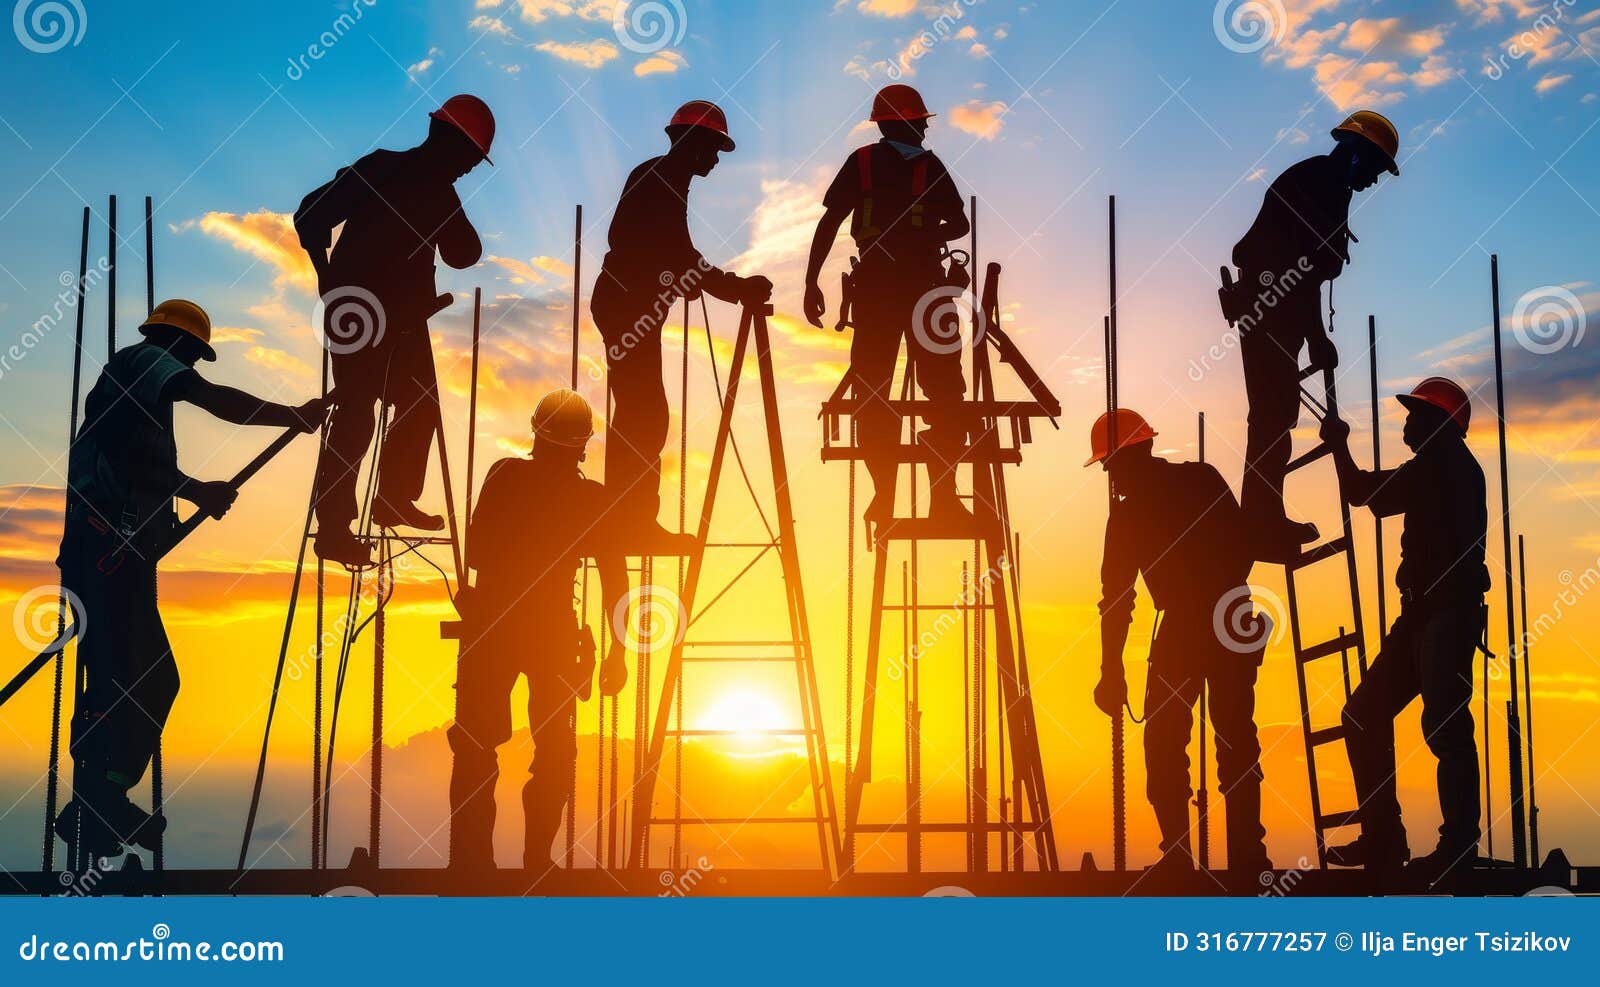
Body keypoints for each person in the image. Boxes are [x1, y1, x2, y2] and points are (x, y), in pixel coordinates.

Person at [55, 299, 328, 863]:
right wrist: (290, 415)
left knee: (130, 681)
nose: (194, 371)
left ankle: (95, 807)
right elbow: (212, 399)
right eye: (194, 358)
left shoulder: (134, 395)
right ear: (178, 346)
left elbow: (134, 461)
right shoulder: (144, 361)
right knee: (140, 681)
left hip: (118, 556)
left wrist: (193, 490)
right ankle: (97, 801)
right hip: (107, 555)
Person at [295, 94, 494, 567]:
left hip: (402, 322)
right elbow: (311, 215)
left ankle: (392, 498)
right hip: (360, 314)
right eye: (469, 158)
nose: (468, 169)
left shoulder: (433, 189)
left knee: (419, 404)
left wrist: (329, 279)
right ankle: (335, 528)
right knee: (357, 414)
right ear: (451, 143)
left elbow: (463, 254)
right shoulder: (384, 169)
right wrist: (328, 278)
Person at [1087, 409, 1272, 884]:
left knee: (1176, 740)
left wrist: (1112, 671)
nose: (1112, 480)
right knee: (1223, 737)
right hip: (1226, 614)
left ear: (1133, 457)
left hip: (1199, 620)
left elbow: (1117, 601)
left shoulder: (1129, 516)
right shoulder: (1199, 480)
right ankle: (1242, 857)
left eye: (1111, 468)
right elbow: (1118, 600)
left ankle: (1192, 856)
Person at [447, 389, 627, 872]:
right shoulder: (589, 498)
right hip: (550, 631)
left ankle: (471, 863)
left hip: (494, 624)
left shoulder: (505, 476)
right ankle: (536, 863)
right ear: (583, 445)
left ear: (535, 433)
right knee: (554, 751)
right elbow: (615, 577)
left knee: (475, 745)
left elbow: (479, 551)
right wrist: (618, 653)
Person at [1320, 377, 1489, 886]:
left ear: (1437, 424)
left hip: (1447, 614)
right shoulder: (1442, 466)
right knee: (1364, 714)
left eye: (1414, 416)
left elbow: (1361, 494)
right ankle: (1386, 837)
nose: (1406, 425)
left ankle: (1455, 848)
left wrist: (1338, 445)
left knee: (1445, 726)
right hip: (1423, 615)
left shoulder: (1443, 467)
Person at [592, 100, 772, 550]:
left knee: (641, 411)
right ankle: (627, 519)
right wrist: (729, 286)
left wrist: (681, 276)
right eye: (712, 150)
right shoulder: (660, 179)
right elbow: (656, 248)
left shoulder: (665, 179)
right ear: (692, 145)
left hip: (633, 306)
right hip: (626, 307)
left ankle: (628, 517)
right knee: (644, 412)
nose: (715, 160)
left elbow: (673, 252)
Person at [1224, 110, 1399, 560]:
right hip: (1269, 309)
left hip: (1278, 310)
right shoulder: (1318, 184)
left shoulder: (1328, 186)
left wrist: (1313, 333)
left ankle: (1261, 520)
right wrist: (1317, 336)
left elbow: (1308, 274)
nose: (1375, 182)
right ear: (1358, 155)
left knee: (1274, 414)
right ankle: (1260, 523)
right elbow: (1300, 272)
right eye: (1376, 170)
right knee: (1273, 414)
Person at [804, 83, 972, 538]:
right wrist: (924, 225)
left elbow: (829, 222)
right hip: (924, 290)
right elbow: (959, 223)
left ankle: (884, 494)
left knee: (872, 394)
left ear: (882, 124)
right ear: (908, 123)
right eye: (920, 121)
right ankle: (945, 498)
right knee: (945, 395)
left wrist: (810, 281)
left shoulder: (861, 163)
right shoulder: (928, 166)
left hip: (878, 289)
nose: (923, 128)